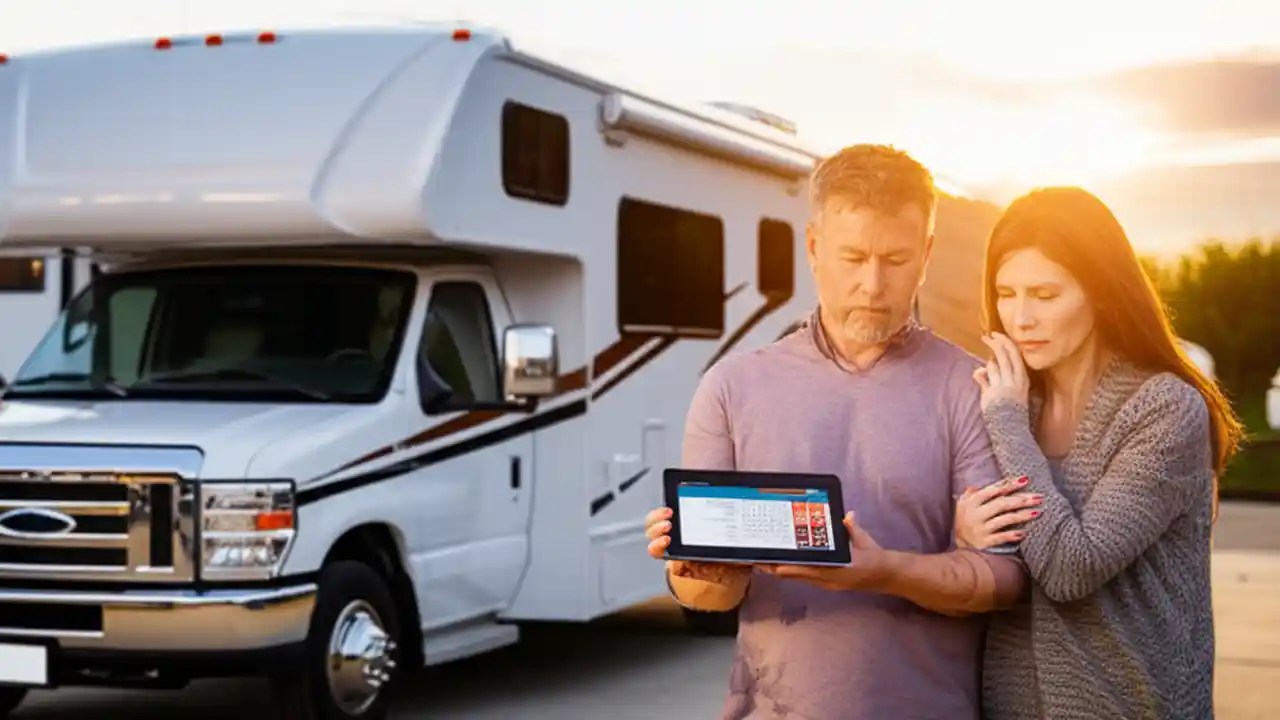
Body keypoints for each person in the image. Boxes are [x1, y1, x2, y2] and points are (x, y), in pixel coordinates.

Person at [644, 144, 1030, 719]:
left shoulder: (968, 388)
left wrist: (883, 571)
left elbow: (1004, 579)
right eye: (853, 257)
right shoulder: (730, 387)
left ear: (926, 254)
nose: (873, 284)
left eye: (895, 259)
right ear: (813, 247)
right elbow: (711, 596)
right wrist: (696, 569)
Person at [952, 186, 1244, 719]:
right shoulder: (1011, 402)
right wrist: (966, 536)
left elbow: (1071, 569)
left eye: (1045, 295)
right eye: (1006, 293)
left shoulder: (1164, 409)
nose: (1020, 318)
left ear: (1101, 293)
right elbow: (995, 567)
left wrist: (1008, 424)